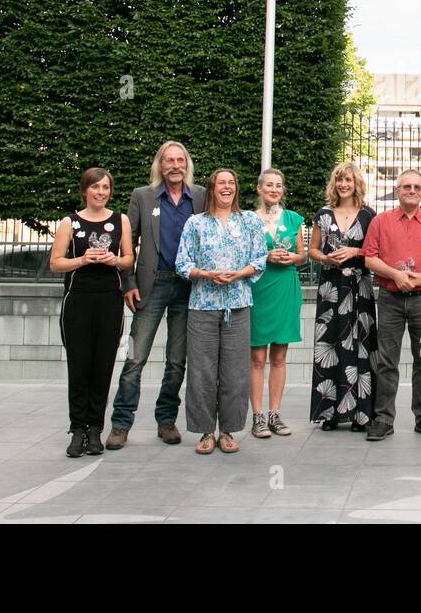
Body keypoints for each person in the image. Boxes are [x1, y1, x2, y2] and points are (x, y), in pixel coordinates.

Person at [106, 141, 205, 450]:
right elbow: (127, 242)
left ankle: (166, 420)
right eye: (168, 161)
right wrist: (128, 282)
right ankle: (121, 424)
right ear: (160, 166)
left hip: (188, 286)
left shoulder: (200, 196)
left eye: (180, 160)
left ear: (186, 165)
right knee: (135, 356)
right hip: (152, 284)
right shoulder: (142, 196)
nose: (174, 165)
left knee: (177, 360)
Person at [175, 169, 267, 454]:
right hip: (202, 306)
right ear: (212, 189)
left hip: (238, 305)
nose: (226, 187)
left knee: (235, 372)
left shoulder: (249, 220)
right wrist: (204, 273)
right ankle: (205, 432)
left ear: (236, 189)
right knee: (202, 371)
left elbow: (260, 258)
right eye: (221, 183)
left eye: (231, 183)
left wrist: (239, 274)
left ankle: (227, 430)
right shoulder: (195, 223)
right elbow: (182, 263)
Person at [49, 168, 135, 457]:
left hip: (109, 300)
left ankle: (95, 428)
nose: (101, 192)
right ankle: (77, 429)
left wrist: (114, 259)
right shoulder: (69, 223)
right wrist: (82, 259)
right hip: (78, 301)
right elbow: (55, 263)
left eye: (106, 187)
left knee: (102, 366)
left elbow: (128, 261)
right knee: (80, 366)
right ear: (84, 190)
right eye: (95, 187)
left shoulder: (119, 220)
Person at [361, 169, 421, 441]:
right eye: (407, 187)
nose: (412, 191)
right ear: (397, 191)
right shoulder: (381, 222)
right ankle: (384, 418)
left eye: (417, 187)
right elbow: (369, 258)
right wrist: (396, 275)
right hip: (390, 299)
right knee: (387, 360)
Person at [308, 162, 378, 431]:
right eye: (339, 180)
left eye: (348, 180)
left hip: (360, 287)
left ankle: (361, 414)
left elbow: (375, 251)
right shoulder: (323, 215)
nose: (343, 184)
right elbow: (313, 250)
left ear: (356, 183)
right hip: (331, 287)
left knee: (361, 345)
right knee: (332, 344)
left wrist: (355, 253)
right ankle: (330, 414)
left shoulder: (369, 215)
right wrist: (326, 257)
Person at [248, 168, 305, 439]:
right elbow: (242, 254)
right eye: (268, 185)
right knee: (257, 356)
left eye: (278, 185)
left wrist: (290, 258)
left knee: (280, 355)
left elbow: (302, 255)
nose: (273, 189)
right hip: (259, 288)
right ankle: (257, 416)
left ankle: (275, 414)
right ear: (259, 189)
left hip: (285, 287)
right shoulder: (248, 220)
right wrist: (265, 257)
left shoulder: (293, 219)